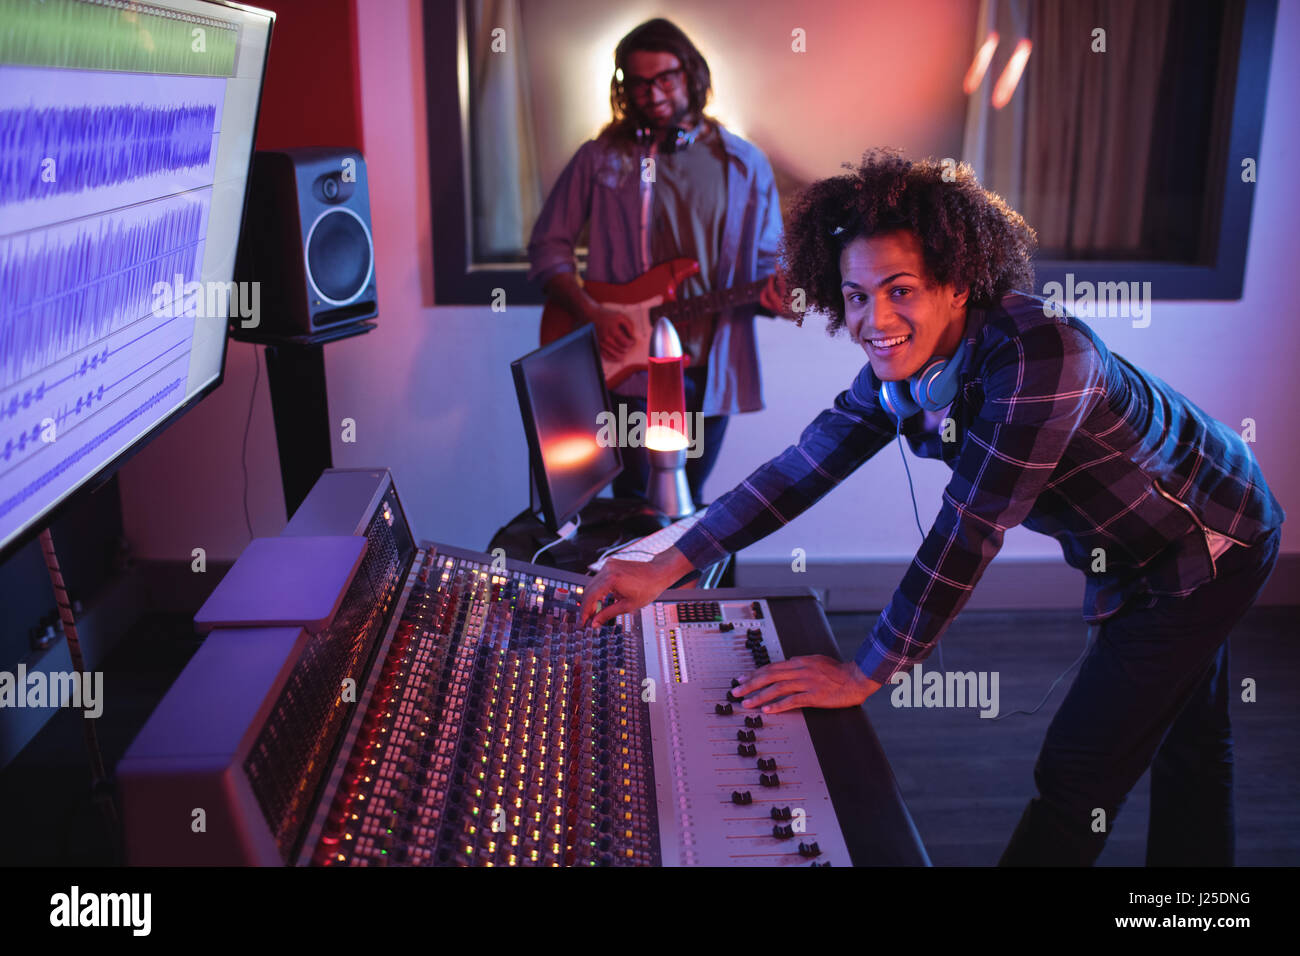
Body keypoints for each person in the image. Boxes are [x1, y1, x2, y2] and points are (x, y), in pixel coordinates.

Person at [580, 149, 1284, 866]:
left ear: (959, 282)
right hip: (1134, 542)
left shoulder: (1046, 355)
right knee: (1192, 740)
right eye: (856, 296)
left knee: (1079, 774)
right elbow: (801, 468)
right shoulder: (903, 372)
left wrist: (863, 673)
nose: (874, 319)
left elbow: (967, 531)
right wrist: (666, 564)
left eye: (901, 290)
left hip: (1209, 538)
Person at [527, 18, 787, 506]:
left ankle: (685, 560)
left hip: (709, 368)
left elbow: (765, 266)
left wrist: (778, 298)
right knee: (635, 500)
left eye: (665, 77)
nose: (653, 92)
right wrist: (591, 312)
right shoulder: (600, 158)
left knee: (690, 499)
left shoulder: (745, 163)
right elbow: (548, 247)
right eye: (639, 82)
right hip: (628, 366)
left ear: (692, 74)